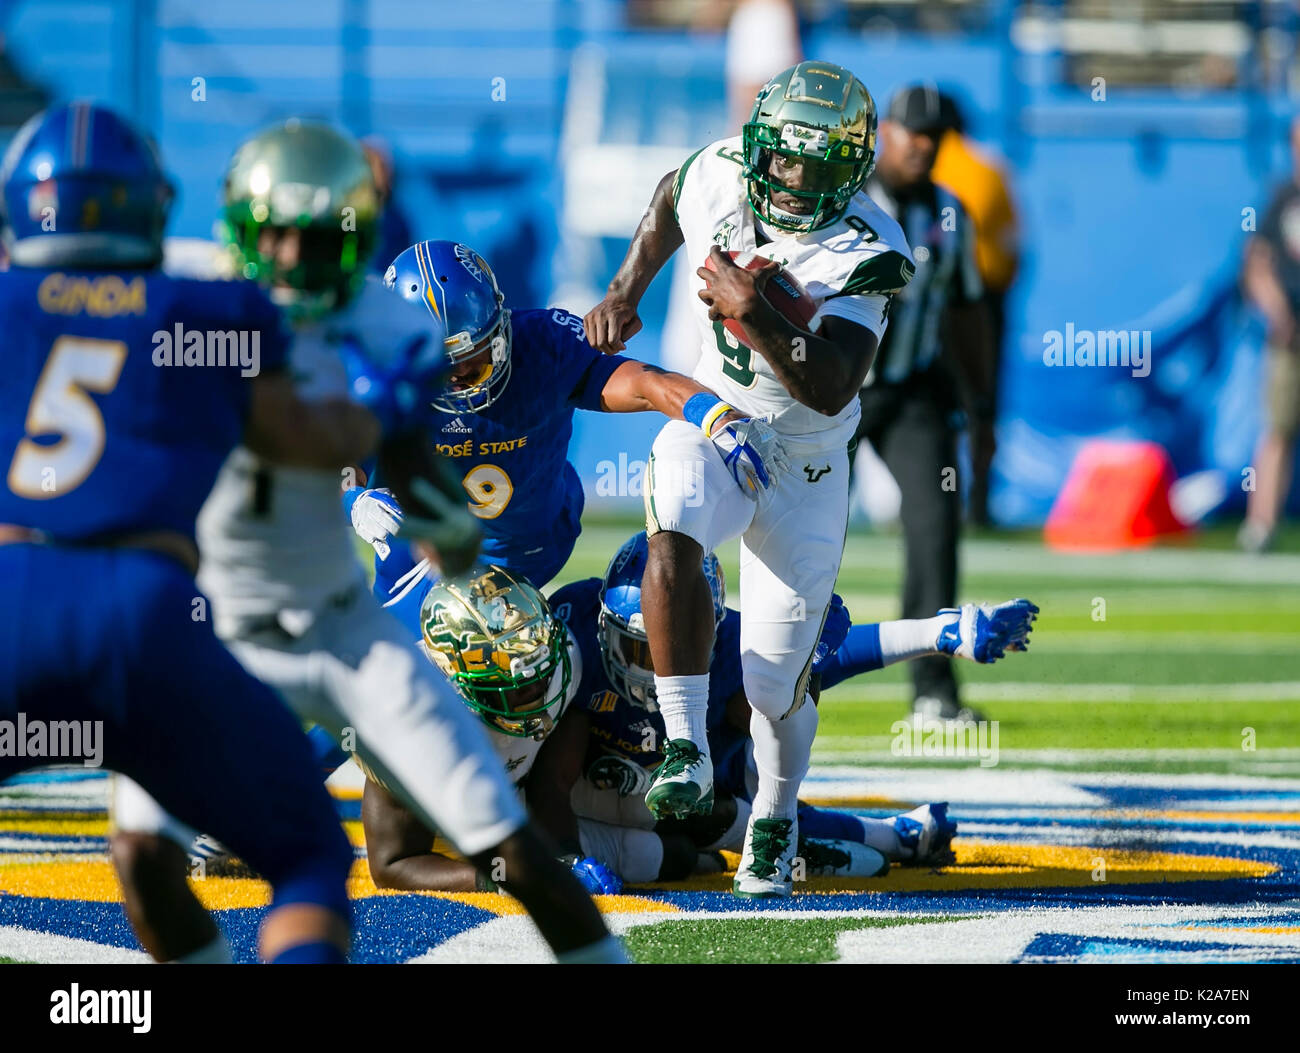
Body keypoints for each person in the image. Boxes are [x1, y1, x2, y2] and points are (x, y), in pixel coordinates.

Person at [106, 121, 625, 965]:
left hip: (339, 616)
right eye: (274, 234)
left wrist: (436, 526)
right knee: (145, 854)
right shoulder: (194, 305)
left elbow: (426, 496)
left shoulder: (392, 323)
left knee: (506, 844)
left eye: (314, 237)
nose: (291, 258)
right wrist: (360, 465)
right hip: (213, 615)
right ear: (241, 229)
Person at [0, 102, 359, 963]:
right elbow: (301, 439)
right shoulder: (212, 309)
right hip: (146, 608)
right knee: (308, 857)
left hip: (11, 598)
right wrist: (380, 417)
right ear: (150, 206)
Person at [585, 60, 914, 897]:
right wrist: (627, 288)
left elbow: (832, 380)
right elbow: (670, 193)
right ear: (760, 147)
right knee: (672, 530)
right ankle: (687, 745)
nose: (795, 181)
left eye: (817, 167)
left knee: (772, 681)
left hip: (805, 462)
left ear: (852, 171)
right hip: (721, 416)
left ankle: (775, 810)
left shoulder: (869, 247)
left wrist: (754, 308)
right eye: (783, 159)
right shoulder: (725, 170)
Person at [360, 535, 1036, 890]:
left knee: (731, 761)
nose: (659, 659)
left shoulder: (552, 659)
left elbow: (820, 661)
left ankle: (826, 838)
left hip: (633, 780)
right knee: (652, 849)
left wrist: (941, 632)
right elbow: (397, 860)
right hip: (557, 814)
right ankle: (775, 850)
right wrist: (532, 871)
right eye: (639, 642)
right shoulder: (429, 716)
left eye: (547, 673)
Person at [346, 238, 758, 640]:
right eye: (439, 369)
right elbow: (324, 452)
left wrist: (717, 418)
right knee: (384, 671)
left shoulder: (542, 346)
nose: (457, 383)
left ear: (500, 329)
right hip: (420, 553)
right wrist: (354, 500)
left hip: (531, 545)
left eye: (471, 365)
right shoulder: (376, 370)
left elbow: (645, 384)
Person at [855, 83, 996, 725]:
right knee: (798, 526)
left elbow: (966, 310)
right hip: (833, 390)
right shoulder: (845, 203)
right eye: (913, 132)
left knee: (936, 526)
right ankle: (762, 675)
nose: (922, 146)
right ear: (885, 133)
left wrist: (981, 401)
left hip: (912, 385)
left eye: (934, 137)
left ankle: (933, 689)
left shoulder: (949, 213)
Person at [930, 89, 1020, 526]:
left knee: (929, 405)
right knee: (982, 404)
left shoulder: (924, 164)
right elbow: (1012, 245)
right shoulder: (989, 168)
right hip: (982, 300)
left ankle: (932, 495)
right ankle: (979, 502)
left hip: (927, 300)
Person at [1239, 115, 1300, 553]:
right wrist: (1277, 310)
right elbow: (1257, 262)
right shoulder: (1283, 198)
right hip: (1290, 338)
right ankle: (1260, 526)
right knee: (1277, 430)